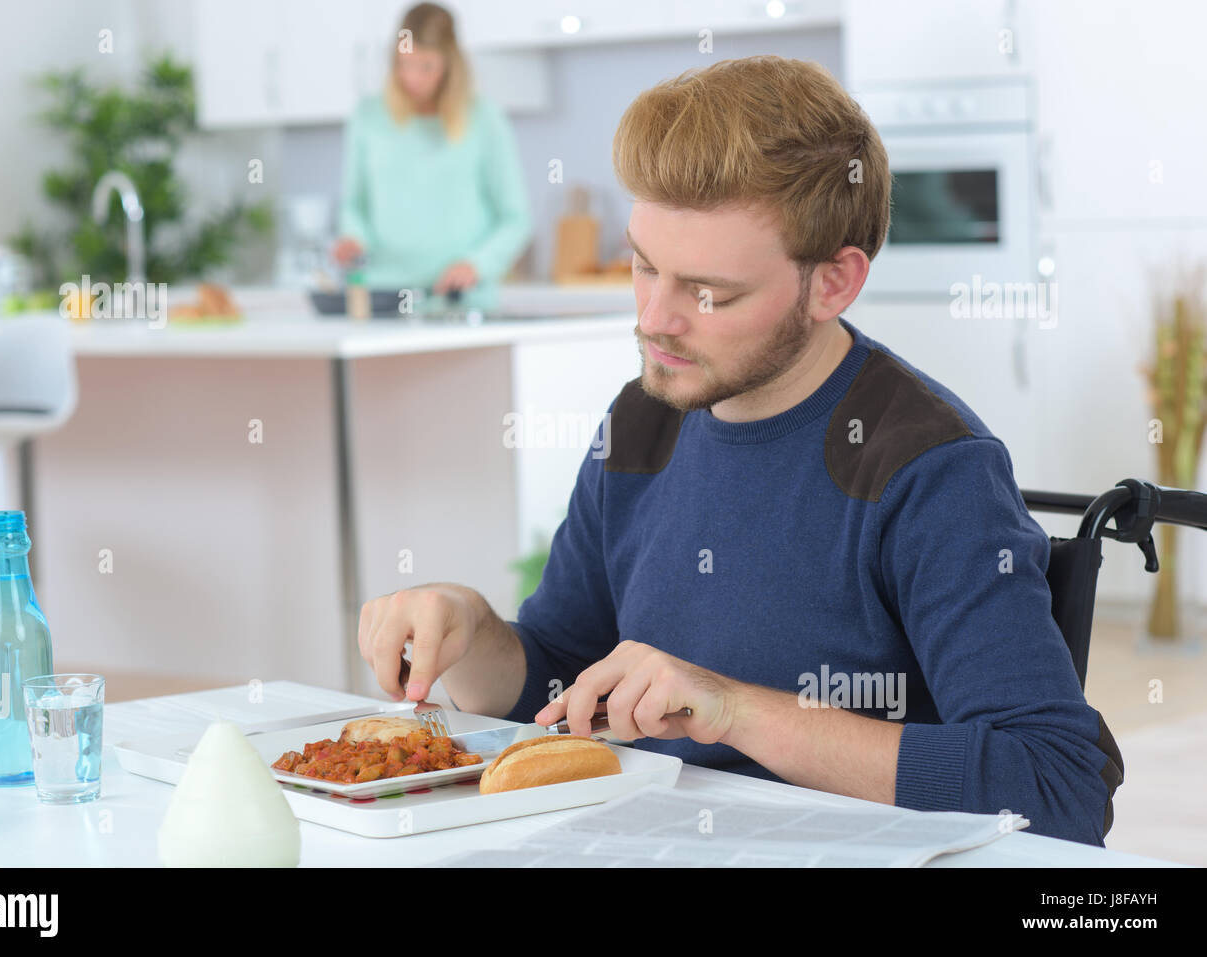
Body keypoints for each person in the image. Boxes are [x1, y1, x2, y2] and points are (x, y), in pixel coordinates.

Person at [355, 56, 1124, 846]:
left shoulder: (929, 468)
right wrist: (473, 633)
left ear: (832, 283)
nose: (655, 319)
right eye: (644, 266)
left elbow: (1058, 785)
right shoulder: (646, 417)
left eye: (708, 292)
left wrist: (735, 709)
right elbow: (556, 681)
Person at [333, 2, 531, 313]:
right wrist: (354, 238)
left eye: (425, 66)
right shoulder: (367, 118)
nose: (411, 77)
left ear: (450, 65)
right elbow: (353, 205)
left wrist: (476, 265)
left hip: (461, 302)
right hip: (384, 300)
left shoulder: (484, 120)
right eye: (403, 64)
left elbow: (515, 218)